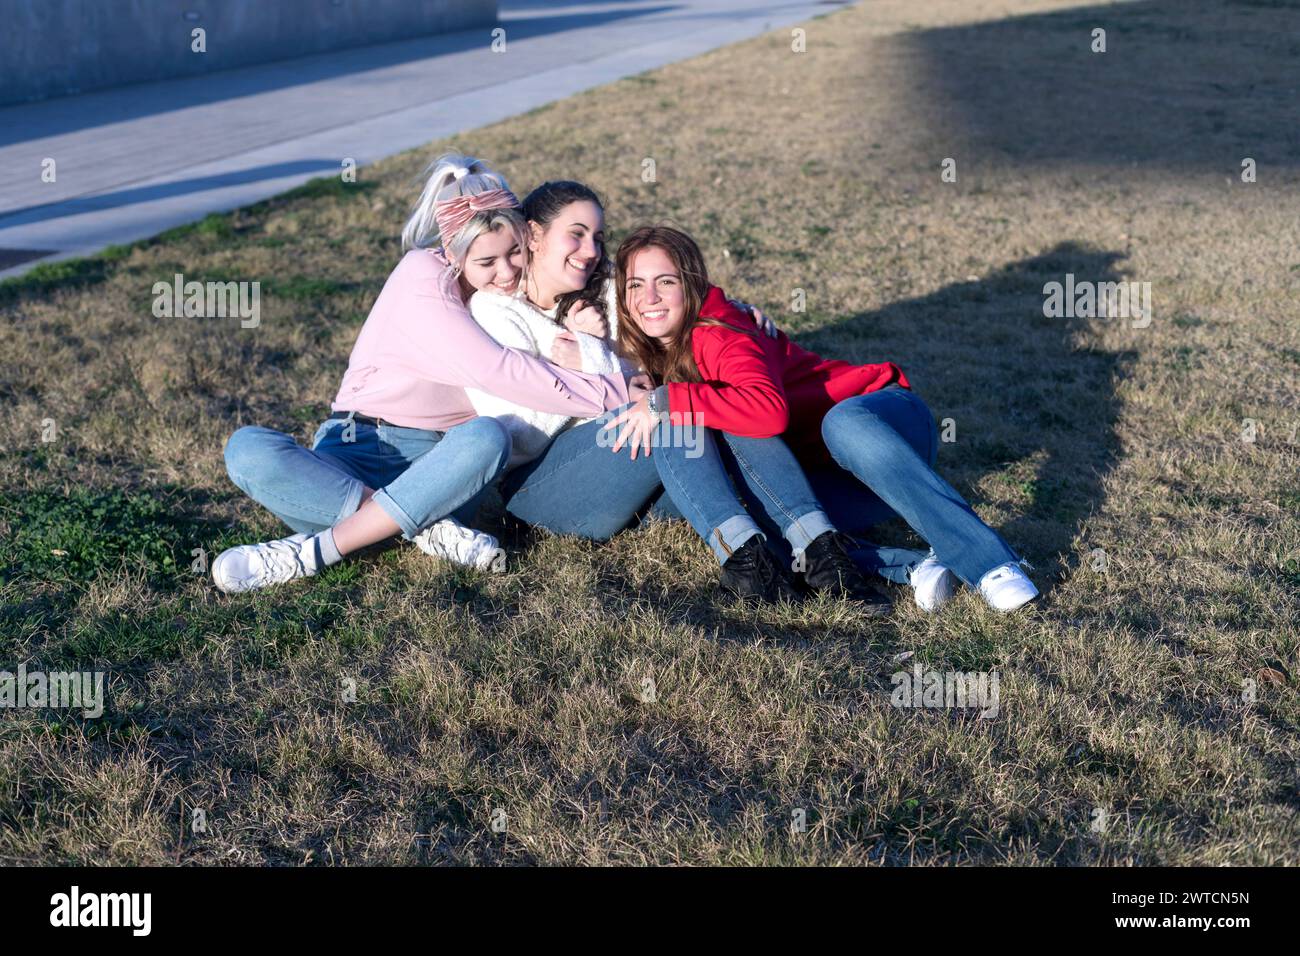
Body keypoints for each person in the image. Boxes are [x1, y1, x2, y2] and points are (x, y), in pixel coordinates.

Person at [211, 154, 636, 593]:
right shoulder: (423, 276)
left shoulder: (507, 296)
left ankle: (316, 551)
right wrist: (618, 390)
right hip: (352, 449)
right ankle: (423, 528)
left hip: (440, 466)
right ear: (451, 251)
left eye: (514, 253)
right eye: (487, 261)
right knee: (247, 449)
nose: (506, 272)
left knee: (488, 436)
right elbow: (500, 371)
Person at [605, 225, 1039, 613]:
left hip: (879, 424)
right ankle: (913, 569)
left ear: (693, 284)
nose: (650, 299)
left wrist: (667, 398)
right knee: (771, 532)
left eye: (666, 281)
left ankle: (992, 564)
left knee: (841, 425)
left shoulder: (721, 330)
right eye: (636, 286)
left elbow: (768, 411)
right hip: (831, 476)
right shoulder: (645, 343)